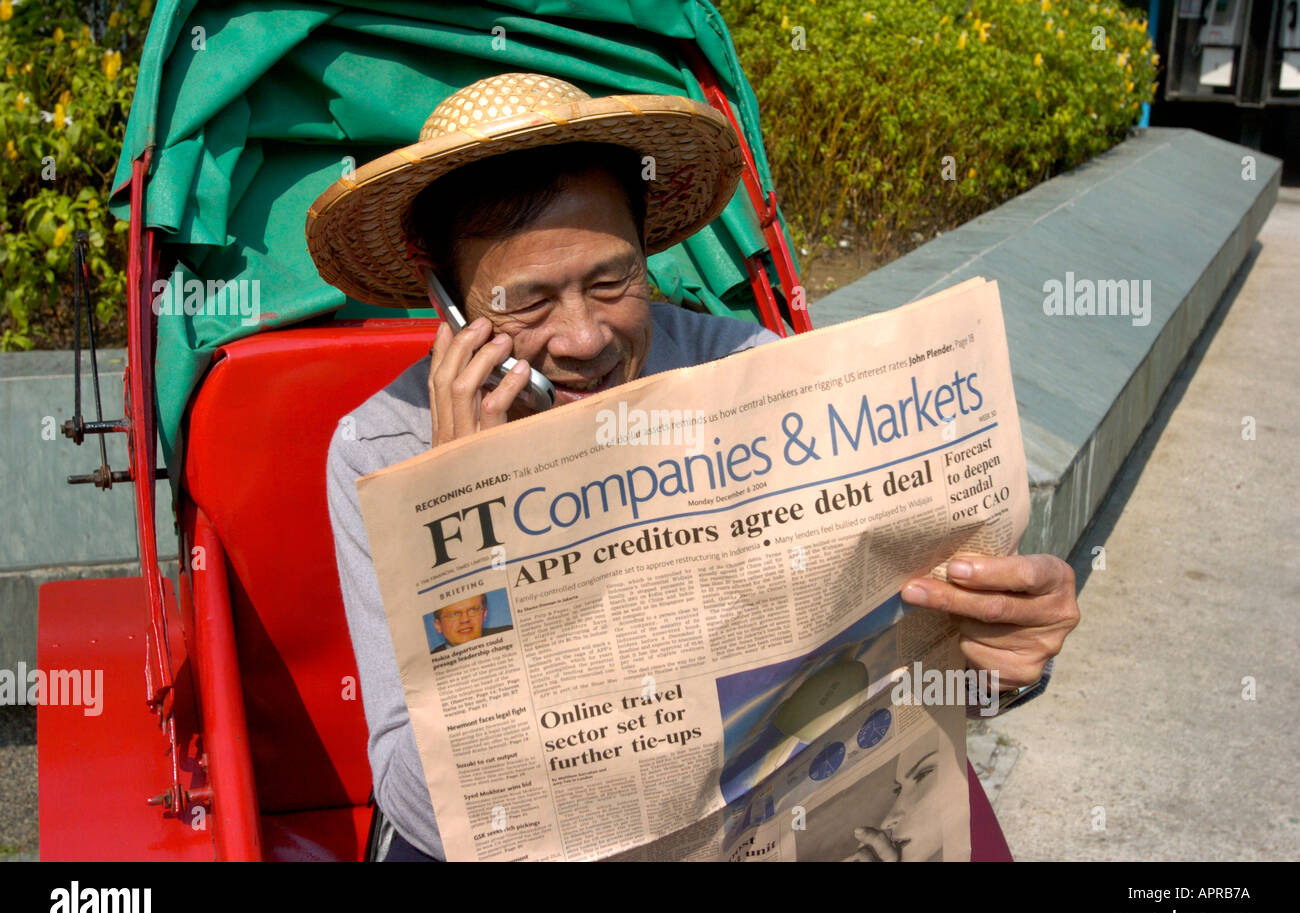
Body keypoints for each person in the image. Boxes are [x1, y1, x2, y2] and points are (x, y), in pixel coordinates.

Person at [310, 73, 1080, 862]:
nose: (584, 339)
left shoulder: (749, 376)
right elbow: (418, 801)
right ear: (447, 301)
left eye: (613, 282)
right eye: (528, 303)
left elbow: (896, 664)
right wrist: (466, 514)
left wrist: (1001, 661)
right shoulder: (384, 451)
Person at [427, 594, 508, 653]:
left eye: (472, 610)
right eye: (454, 614)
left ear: (484, 614)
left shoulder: (507, 636)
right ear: (438, 626)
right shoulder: (429, 662)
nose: (465, 619)